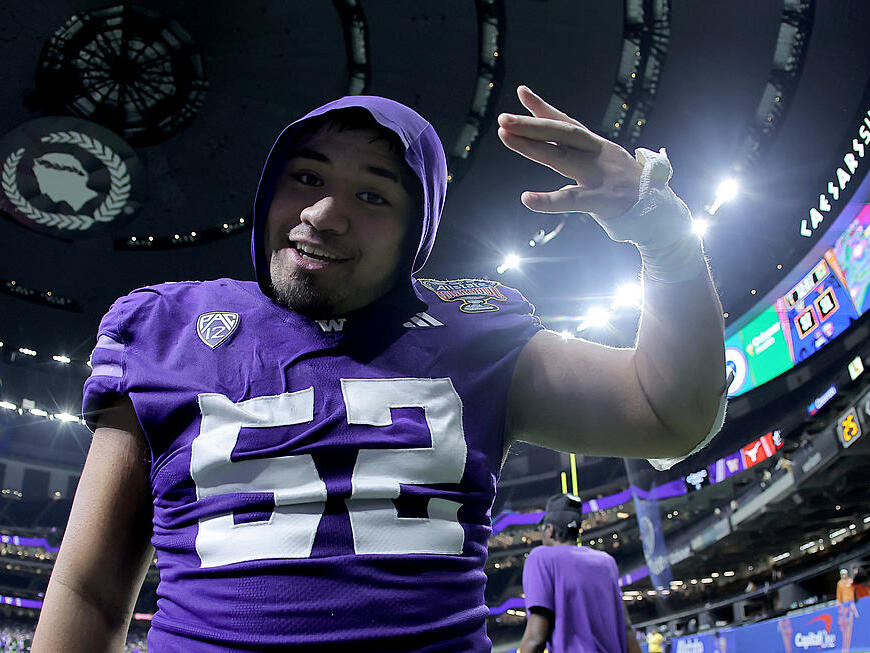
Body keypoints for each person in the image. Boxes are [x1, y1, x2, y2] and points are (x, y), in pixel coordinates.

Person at [31, 87, 727, 652]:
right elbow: (87, 593)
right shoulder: (167, 329)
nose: (324, 215)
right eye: (305, 177)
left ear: (415, 229)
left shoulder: (476, 332)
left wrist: (659, 230)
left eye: (373, 196)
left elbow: (670, 414)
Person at [519, 494, 643, 653]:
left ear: (549, 530)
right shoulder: (606, 562)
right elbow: (626, 629)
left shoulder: (541, 557)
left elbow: (536, 638)